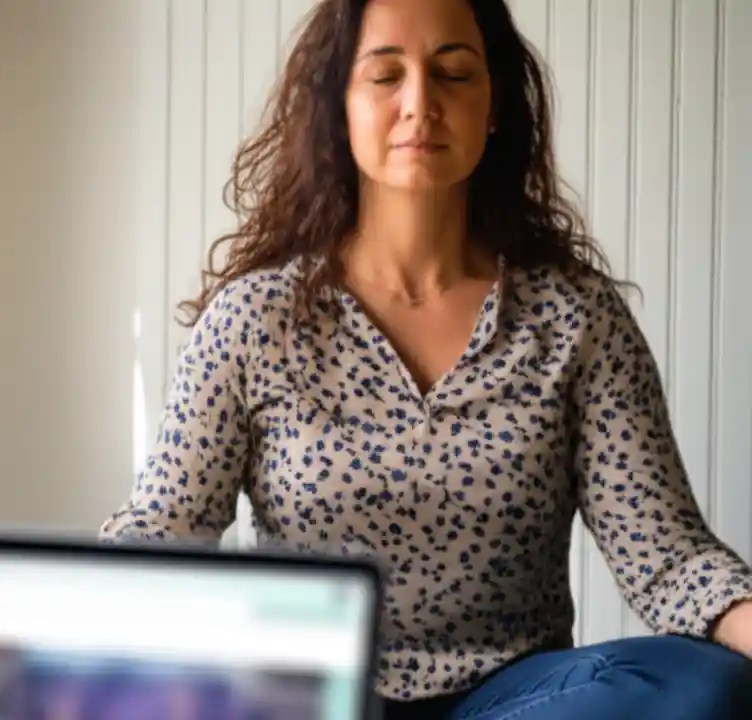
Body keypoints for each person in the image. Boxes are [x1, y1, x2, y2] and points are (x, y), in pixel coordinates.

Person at [98, 1, 752, 718]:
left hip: (516, 701)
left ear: (494, 103)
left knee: (703, 681)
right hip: (313, 696)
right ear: (338, 106)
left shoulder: (577, 319)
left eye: (453, 74)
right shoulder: (255, 321)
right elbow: (159, 540)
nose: (421, 104)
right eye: (385, 76)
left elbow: (670, 560)